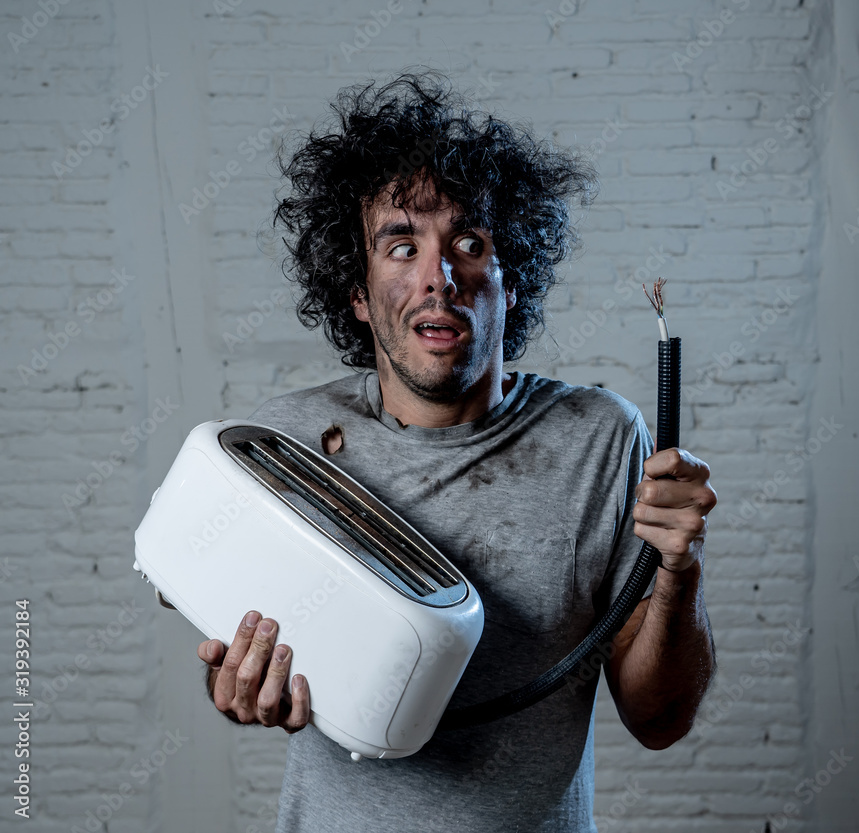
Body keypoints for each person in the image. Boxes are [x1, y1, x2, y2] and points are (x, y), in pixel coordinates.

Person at [196, 71, 717, 832]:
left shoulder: (604, 441)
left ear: (512, 280)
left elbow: (660, 719)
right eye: (401, 245)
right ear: (358, 292)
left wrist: (680, 570)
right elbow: (244, 653)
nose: (437, 278)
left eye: (469, 242)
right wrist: (244, 685)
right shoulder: (288, 448)